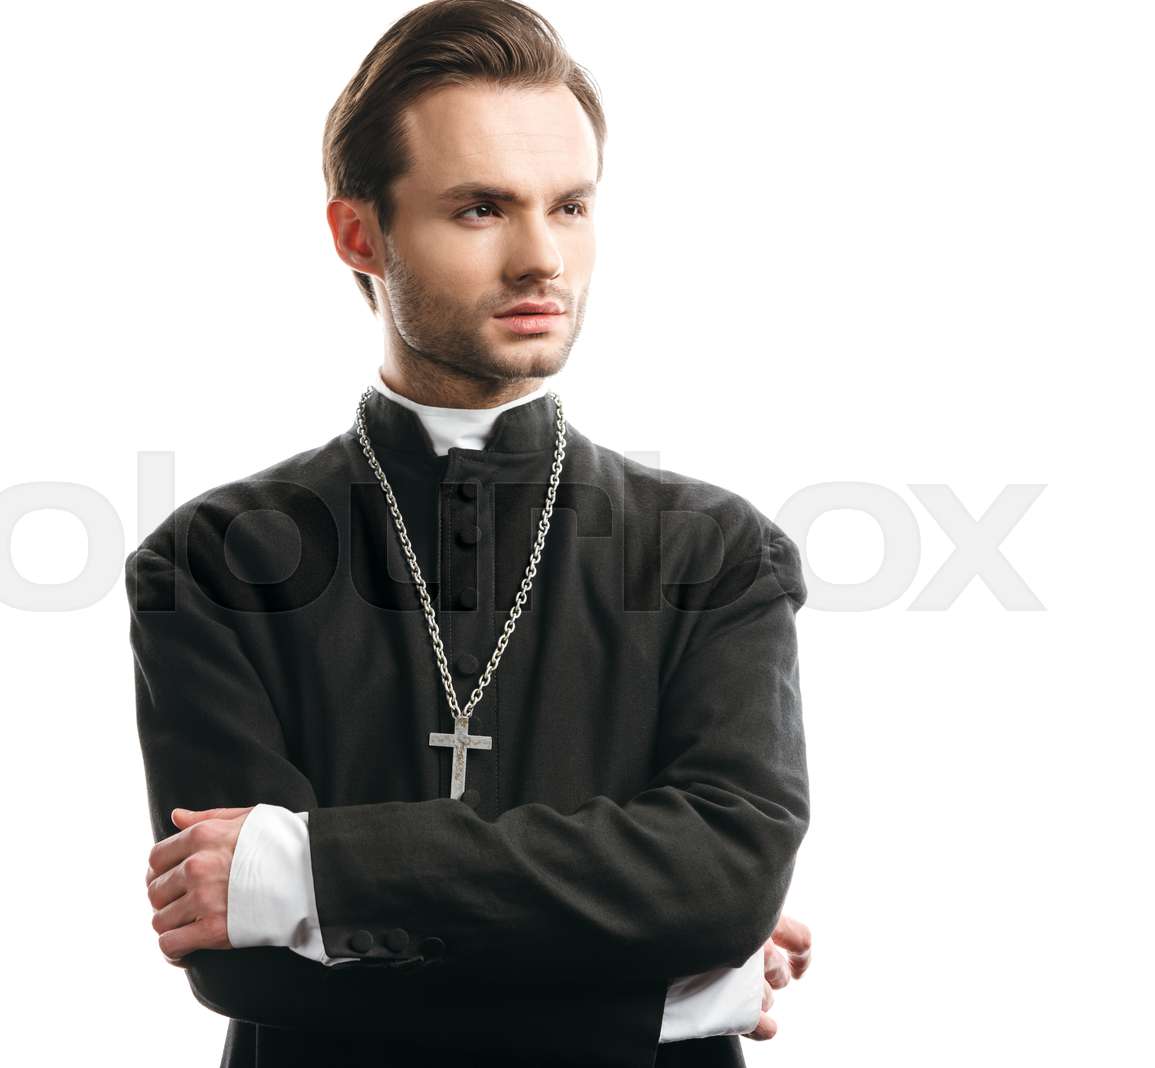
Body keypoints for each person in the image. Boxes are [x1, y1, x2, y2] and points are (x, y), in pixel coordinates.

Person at [129, 2, 813, 1064]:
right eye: (482, 209)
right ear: (362, 234)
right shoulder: (213, 559)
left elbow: (724, 879)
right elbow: (242, 962)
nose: (543, 258)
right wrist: (667, 1000)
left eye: (571, 206)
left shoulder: (717, 552)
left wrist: (315, 874)